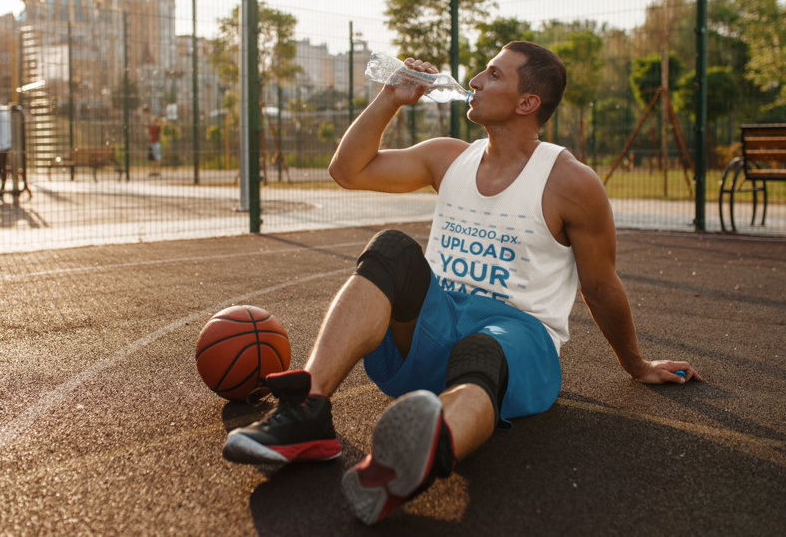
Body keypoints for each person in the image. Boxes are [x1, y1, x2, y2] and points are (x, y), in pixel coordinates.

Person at [222, 41, 702, 525]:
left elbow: (600, 286)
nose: (474, 80)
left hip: (516, 337)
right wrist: (390, 97)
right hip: (435, 326)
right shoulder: (448, 157)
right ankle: (308, 411)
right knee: (392, 248)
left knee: (481, 351)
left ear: (527, 103)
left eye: (493, 75)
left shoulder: (571, 182)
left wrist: (636, 364)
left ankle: (412, 460)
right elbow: (347, 171)